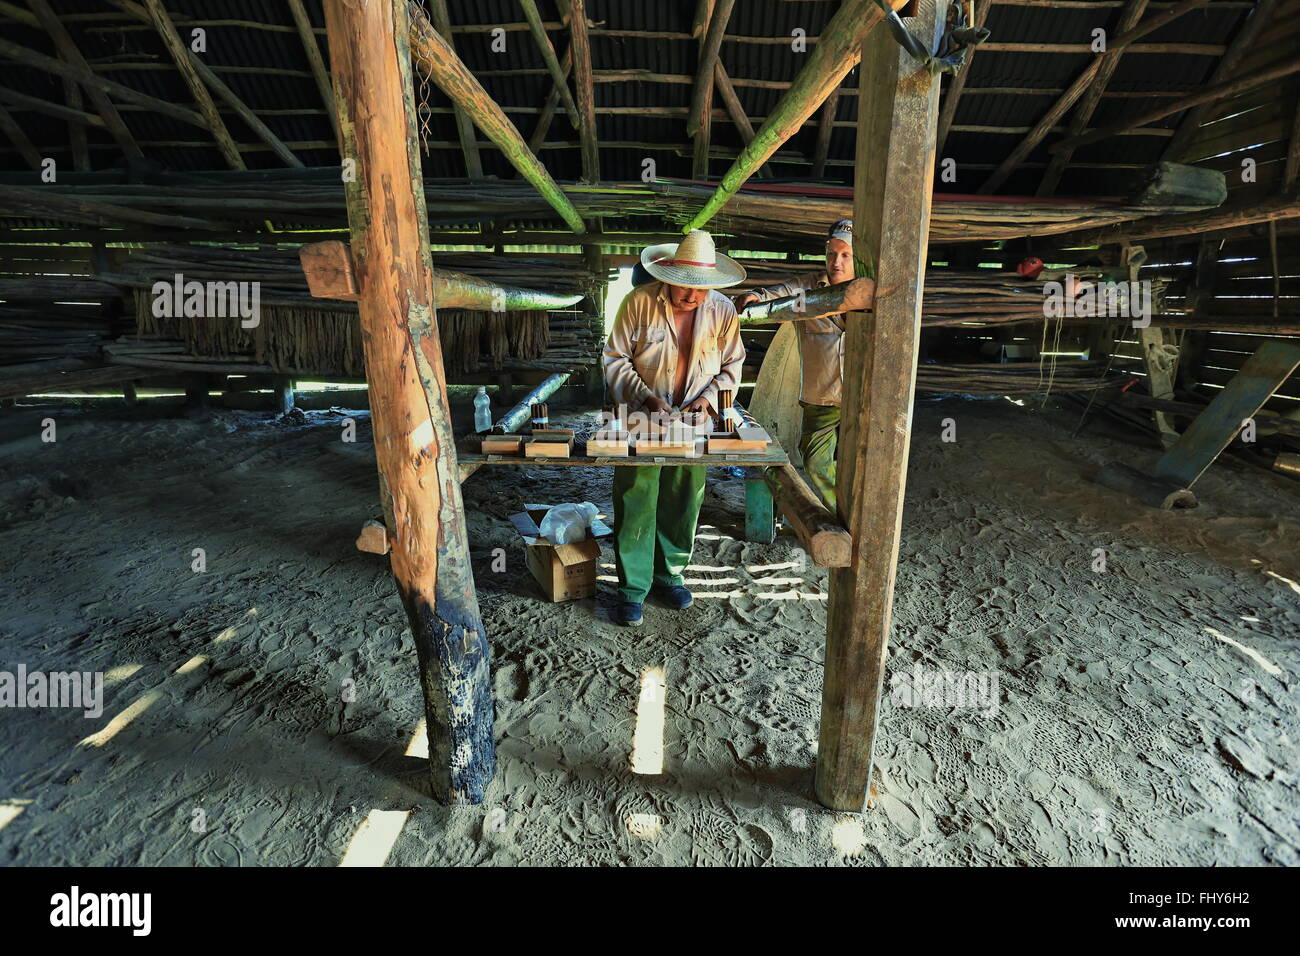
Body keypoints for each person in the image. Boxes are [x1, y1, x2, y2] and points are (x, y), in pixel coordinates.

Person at [602, 229, 746, 627]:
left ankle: (670, 575)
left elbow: (733, 365)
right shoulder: (638, 303)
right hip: (640, 417)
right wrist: (647, 397)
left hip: (695, 421)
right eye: (685, 286)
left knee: (685, 498)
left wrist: (708, 399)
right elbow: (615, 359)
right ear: (668, 275)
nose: (692, 296)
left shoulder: (722, 310)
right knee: (637, 498)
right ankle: (632, 589)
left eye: (701, 289)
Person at [732, 219, 853, 512]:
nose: (836, 262)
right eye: (832, 254)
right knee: (814, 458)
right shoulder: (807, 289)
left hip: (865, 398)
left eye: (846, 255)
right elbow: (776, 294)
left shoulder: (871, 290)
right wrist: (756, 297)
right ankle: (846, 514)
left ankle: (860, 517)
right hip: (821, 396)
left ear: (858, 256)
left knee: (863, 460)